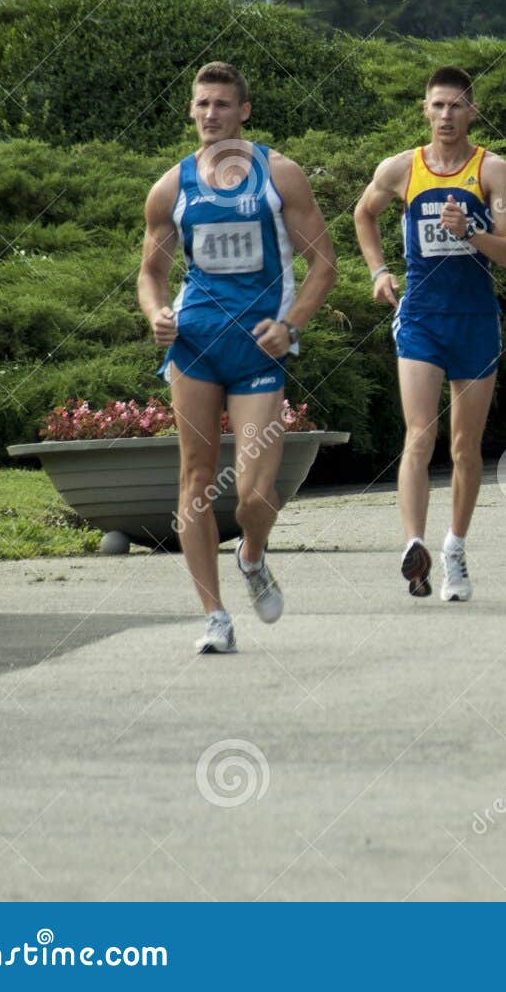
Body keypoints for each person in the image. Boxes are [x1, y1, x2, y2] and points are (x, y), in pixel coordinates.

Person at [138, 62, 338, 654]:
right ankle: (214, 616)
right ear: (191, 110)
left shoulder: (280, 175)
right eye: (202, 105)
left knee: (254, 494)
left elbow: (324, 266)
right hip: (195, 344)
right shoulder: (172, 187)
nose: (210, 115)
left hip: (257, 348)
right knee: (195, 479)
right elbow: (151, 274)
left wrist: (291, 325)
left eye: (222, 105)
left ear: (243, 111)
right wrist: (155, 314)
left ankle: (252, 556)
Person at [355, 67, 506, 602]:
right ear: (424, 110)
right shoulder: (402, 168)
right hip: (422, 318)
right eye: (437, 106)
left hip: (474, 321)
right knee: (419, 435)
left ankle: (454, 548)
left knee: (465, 448)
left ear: (472, 111)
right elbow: (364, 214)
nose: (446, 115)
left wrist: (471, 230)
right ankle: (414, 546)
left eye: (456, 106)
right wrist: (379, 271)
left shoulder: (492, 172)